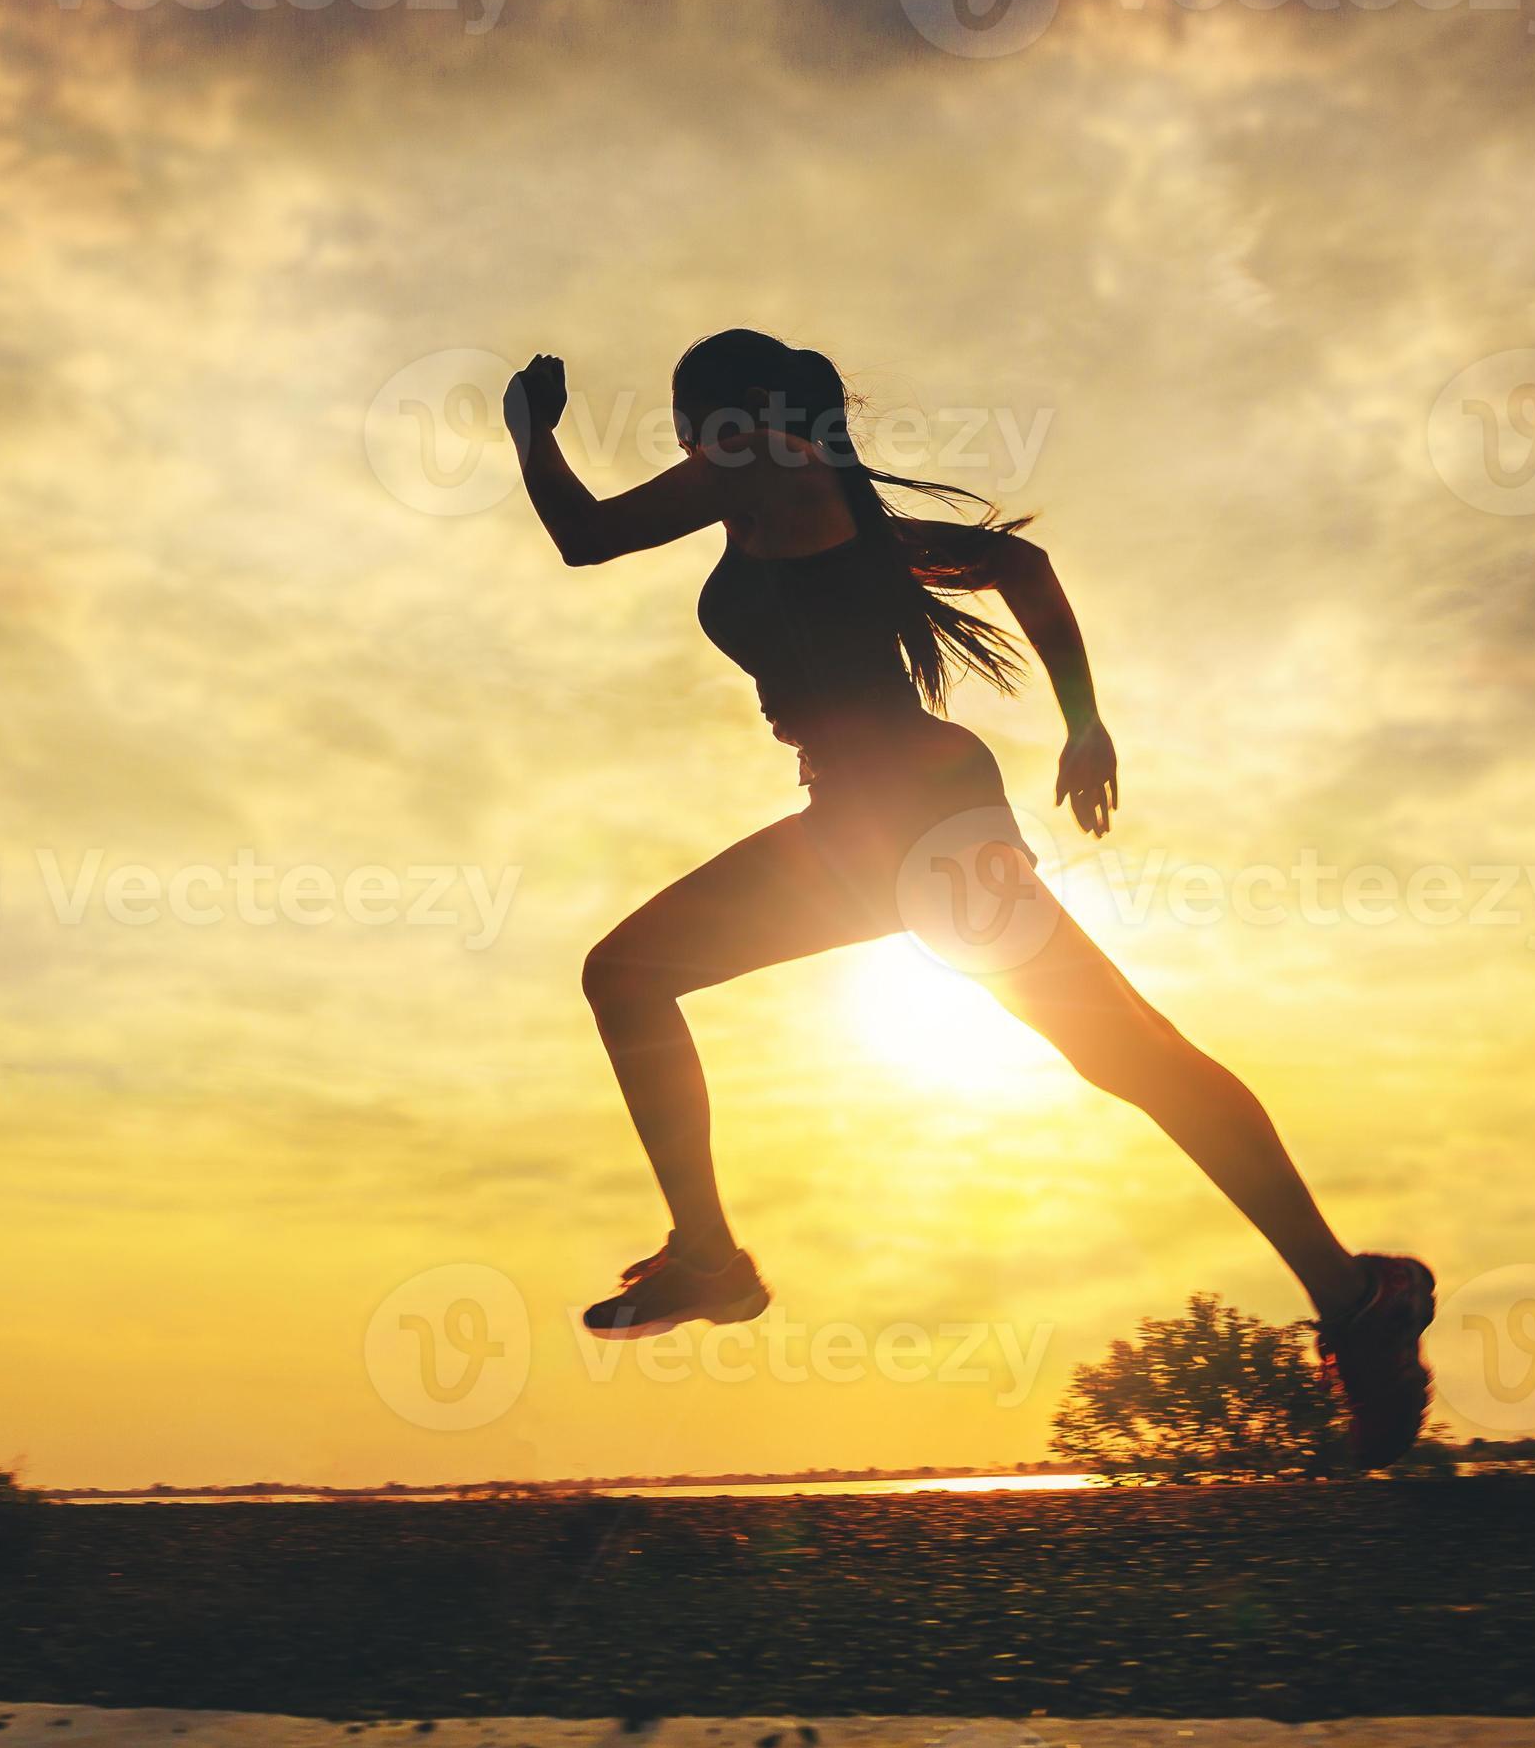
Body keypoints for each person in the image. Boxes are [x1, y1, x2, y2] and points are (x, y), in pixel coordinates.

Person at [505, 329, 1434, 1468]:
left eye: (685, 417)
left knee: (1129, 1054)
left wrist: (530, 433)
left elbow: (587, 536)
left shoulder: (749, 463)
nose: (685, 442)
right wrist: (1083, 721)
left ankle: (1356, 1301)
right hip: (863, 826)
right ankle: (1355, 1301)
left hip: (912, 820)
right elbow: (1018, 566)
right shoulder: (820, 500)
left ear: (725, 413)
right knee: (1124, 1055)